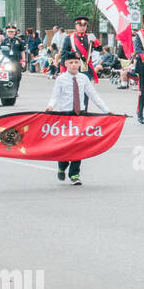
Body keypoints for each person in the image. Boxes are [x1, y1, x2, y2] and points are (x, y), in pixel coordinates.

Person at [45, 50, 110, 184]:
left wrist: (107, 111)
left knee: (78, 145)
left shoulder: (83, 78)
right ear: (65, 64)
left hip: (80, 115)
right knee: (65, 145)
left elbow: (94, 96)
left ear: (80, 63)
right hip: (65, 116)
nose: (74, 65)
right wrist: (50, 106)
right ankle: (62, 166)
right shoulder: (61, 79)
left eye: (76, 62)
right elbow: (55, 96)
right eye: (71, 63)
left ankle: (75, 174)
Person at [62, 17, 102, 81]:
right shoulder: (69, 38)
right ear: (76, 26)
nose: (82, 27)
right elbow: (64, 54)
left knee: (86, 88)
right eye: (80, 25)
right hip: (74, 67)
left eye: (84, 25)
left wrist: (95, 40)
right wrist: (73, 54)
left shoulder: (90, 37)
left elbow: (99, 49)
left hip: (86, 67)